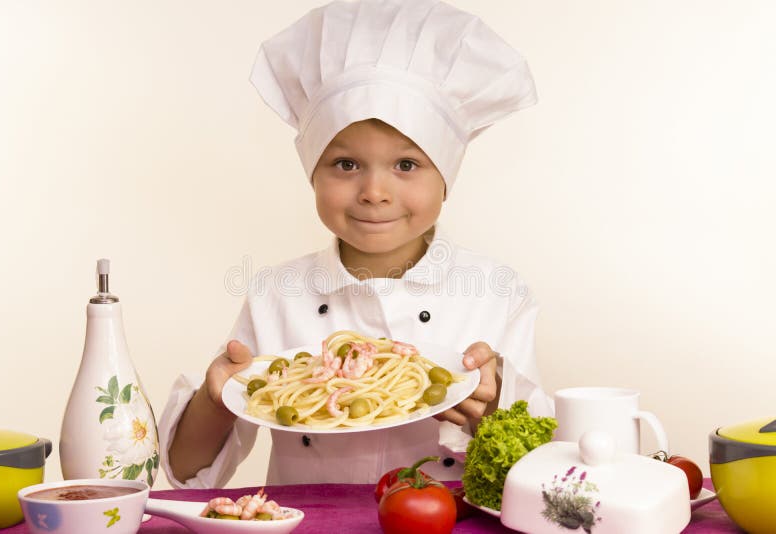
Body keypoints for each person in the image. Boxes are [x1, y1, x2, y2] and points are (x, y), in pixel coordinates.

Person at [159, 0, 552, 489]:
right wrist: (215, 399)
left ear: (446, 178)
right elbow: (186, 470)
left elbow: (541, 464)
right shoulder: (275, 294)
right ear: (312, 174)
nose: (374, 191)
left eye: (406, 165)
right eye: (346, 164)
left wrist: (491, 408)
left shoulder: (497, 292)